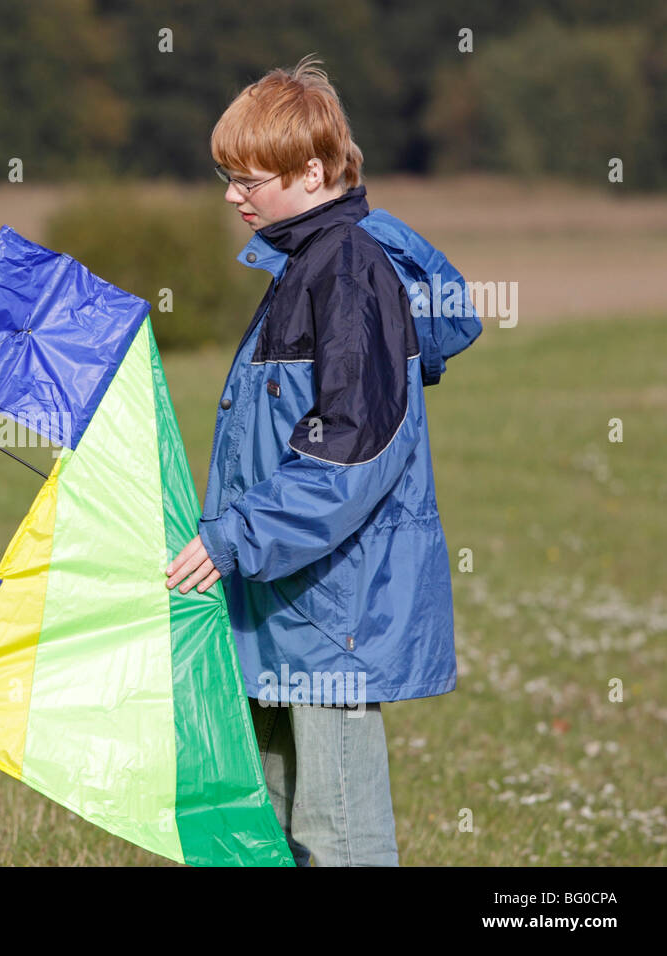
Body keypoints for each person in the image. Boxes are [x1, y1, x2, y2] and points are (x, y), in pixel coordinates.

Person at [164, 56, 477, 865]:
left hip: (329, 613)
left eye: (248, 178)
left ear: (311, 171)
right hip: (283, 597)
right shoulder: (304, 264)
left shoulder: (347, 271)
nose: (232, 195)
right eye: (226, 176)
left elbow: (351, 451)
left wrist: (234, 537)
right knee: (272, 826)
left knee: (337, 838)